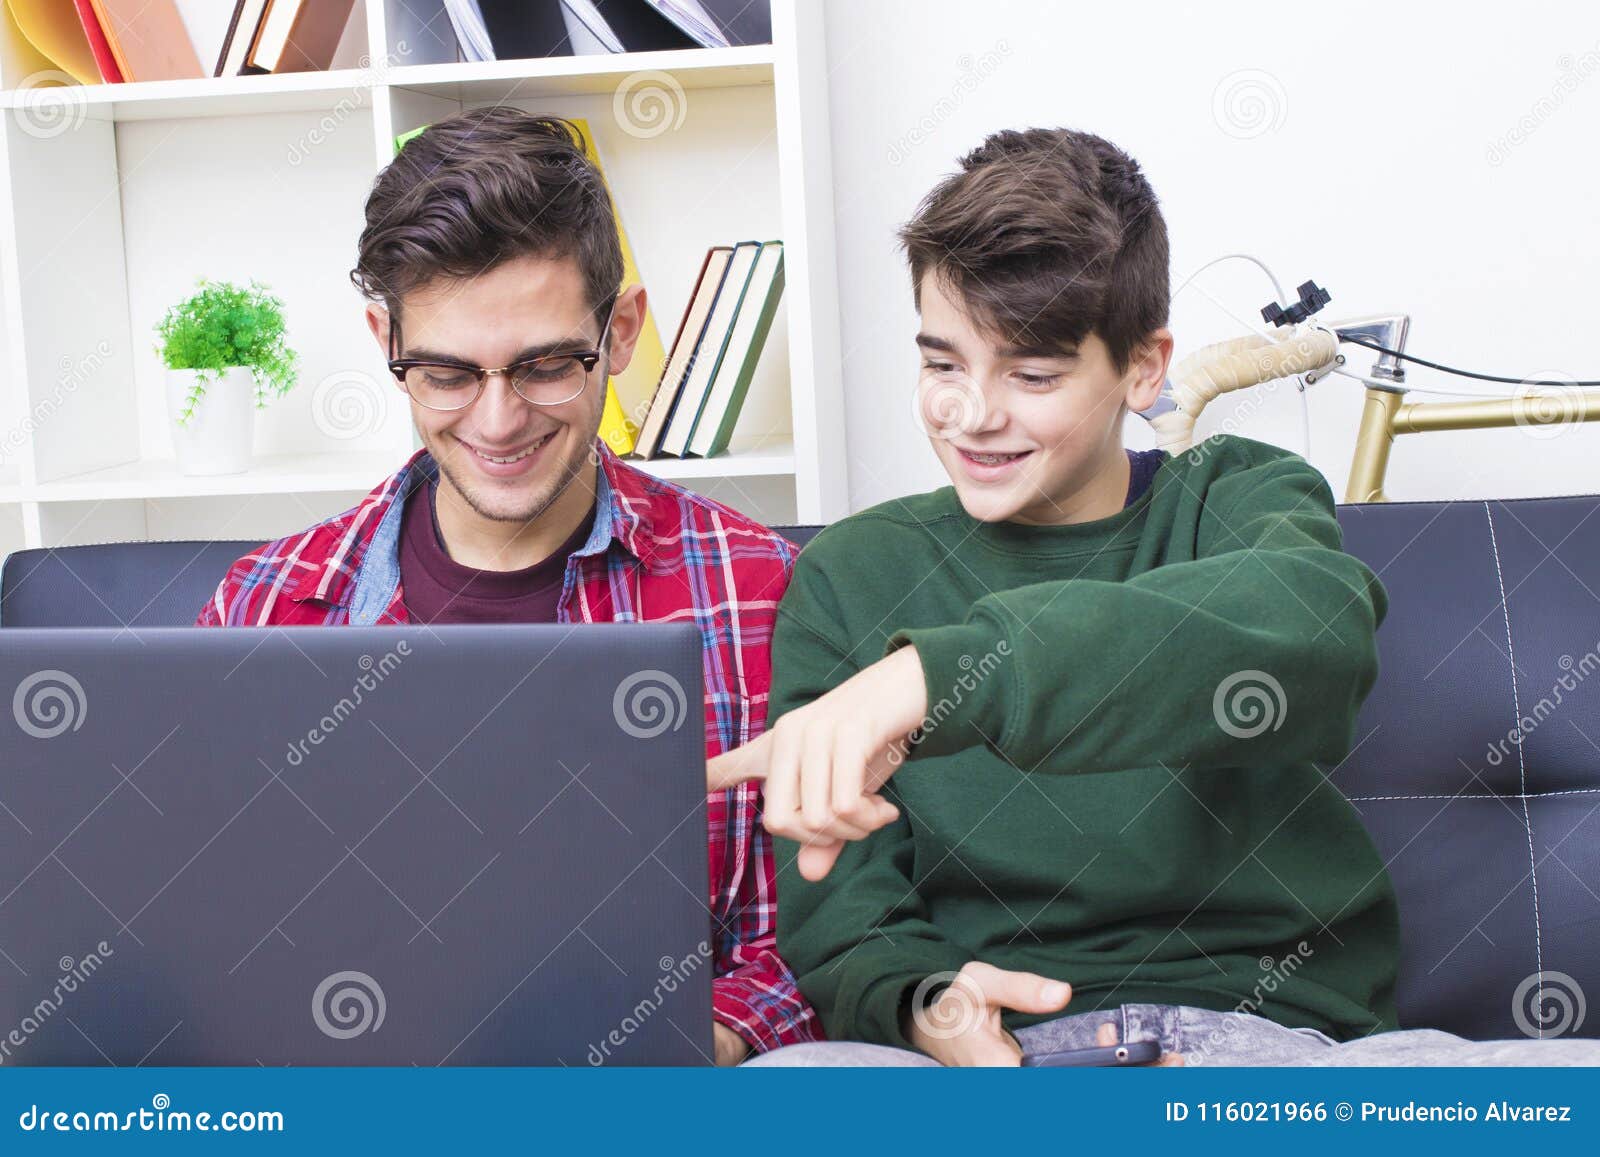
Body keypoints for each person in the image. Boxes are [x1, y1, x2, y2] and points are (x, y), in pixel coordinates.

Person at [717, 127, 1600, 1066]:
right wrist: (928, 1007)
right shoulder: (850, 573)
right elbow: (845, 915)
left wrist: (935, 678)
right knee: (788, 1082)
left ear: (1143, 367)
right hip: (987, 1063)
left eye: (1032, 374)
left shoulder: (1239, 494)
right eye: (942, 364)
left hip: (1272, 1050)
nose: (971, 414)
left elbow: (1310, 634)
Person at [198, 107, 817, 1065]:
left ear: (619, 332)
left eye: (544, 366)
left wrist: (693, 1041)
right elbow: (197, 930)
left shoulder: (763, 590)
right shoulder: (262, 609)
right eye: (447, 374)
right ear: (386, 341)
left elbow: (826, 934)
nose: (497, 421)